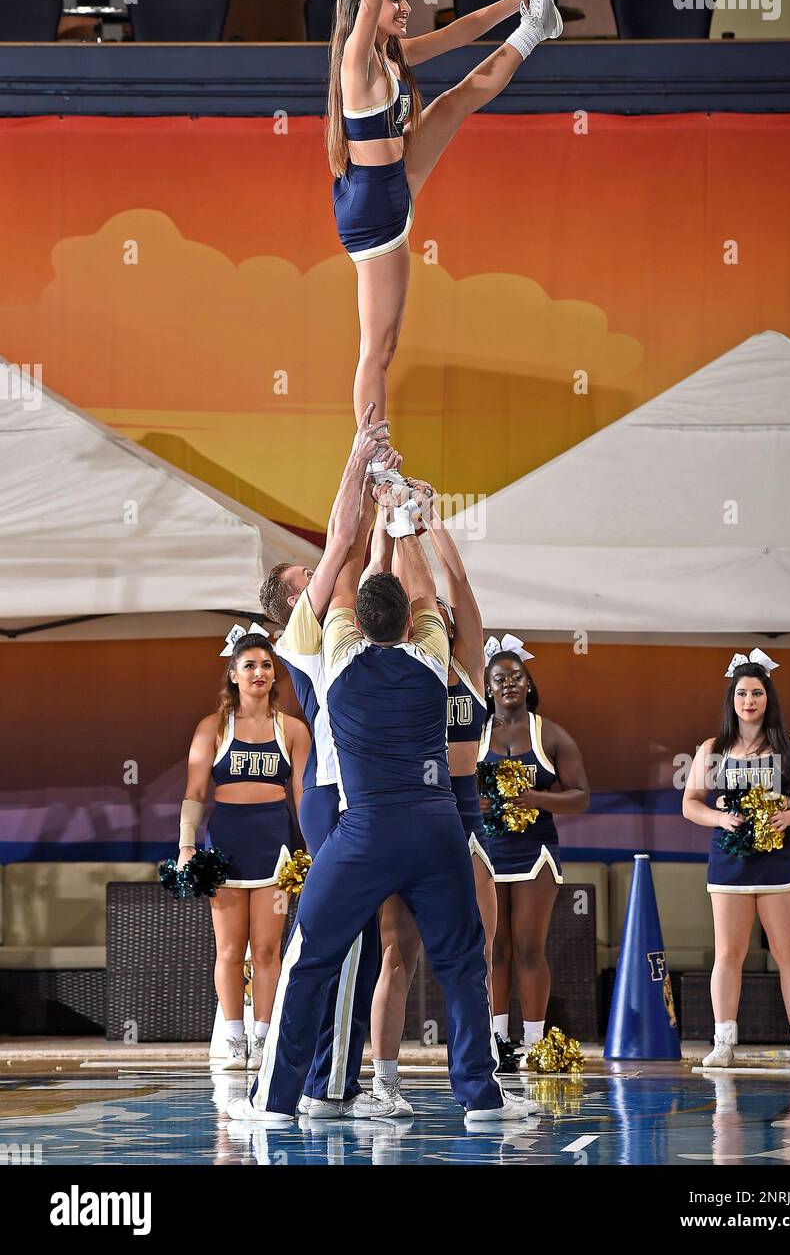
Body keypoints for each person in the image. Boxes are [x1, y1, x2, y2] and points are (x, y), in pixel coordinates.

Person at [229, 488, 538, 1125]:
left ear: (354, 622)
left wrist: (375, 508)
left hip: (366, 830)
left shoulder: (335, 660)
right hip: (438, 828)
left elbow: (347, 578)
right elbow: (430, 593)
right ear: (412, 624)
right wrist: (408, 519)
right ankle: (480, 1099)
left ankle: (275, 1101)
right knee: (462, 964)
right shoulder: (434, 659)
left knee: (309, 960)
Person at [328, 0, 562, 438]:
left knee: (456, 101)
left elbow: (461, 31)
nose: (405, 7)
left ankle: (534, 27)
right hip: (375, 212)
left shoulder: (393, 56)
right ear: (370, 6)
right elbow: (367, 6)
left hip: (390, 181)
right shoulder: (356, 63)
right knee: (379, 348)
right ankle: (374, 454)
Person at [256, 403, 403, 1117]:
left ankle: (332, 1078)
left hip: (359, 790)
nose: (325, 570)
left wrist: (386, 499)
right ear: (296, 601)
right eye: (309, 573)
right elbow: (343, 538)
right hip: (335, 792)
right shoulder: (304, 632)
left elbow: (367, 556)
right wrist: (357, 451)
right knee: (337, 939)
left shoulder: (348, 626)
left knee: (362, 938)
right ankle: (322, 1084)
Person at [364, 479, 496, 1115]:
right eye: (426, 611)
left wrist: (428, 521)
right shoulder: (400, 667)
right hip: (411, 811)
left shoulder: (468, 666)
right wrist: (391, 526)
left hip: (464, 814)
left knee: (475, 956)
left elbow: (459, 586)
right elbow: (383, 596)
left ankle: (479, 1082)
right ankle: (385, 1082)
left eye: (442, 611)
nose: (437, 612)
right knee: (398, 955)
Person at [682, 649, 790, 1072]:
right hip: (729, 861)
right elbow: (691, 804)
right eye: (742, 693)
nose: (749, 701)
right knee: (728, 954)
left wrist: (788, 816)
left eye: (757, 693)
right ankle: (723, 1043)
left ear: (769, 698)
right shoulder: (713, 748)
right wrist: (720, 819)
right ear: (731, 699)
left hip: (778, 859)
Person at [178, 626, 309, 1070]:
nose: (259, 672)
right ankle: (235, 1039)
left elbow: (303, 796)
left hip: (276, 847)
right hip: (226, 848)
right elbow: (195, 793)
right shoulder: (212, 727)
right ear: (233, 674)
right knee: (231, 950)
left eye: (267, 665)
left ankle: (264, 1038)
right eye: (249, 665)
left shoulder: (293, 730)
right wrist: (187, 845)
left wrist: (313, 848)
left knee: (268, 950)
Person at [479, 642, 590, 1059]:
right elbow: (450, 788)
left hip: (536, 851)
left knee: (528, 947)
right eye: (499, 679)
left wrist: (537, 799)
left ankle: (533, 1041)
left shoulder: (551, 734)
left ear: (528, 683)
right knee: (494, 948)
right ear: (488, 688)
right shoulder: (475, 735)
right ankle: (496, 1039)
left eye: (516, 677)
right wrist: (475, 803)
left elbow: (580, 797)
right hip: (487, 851)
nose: (509, 684)